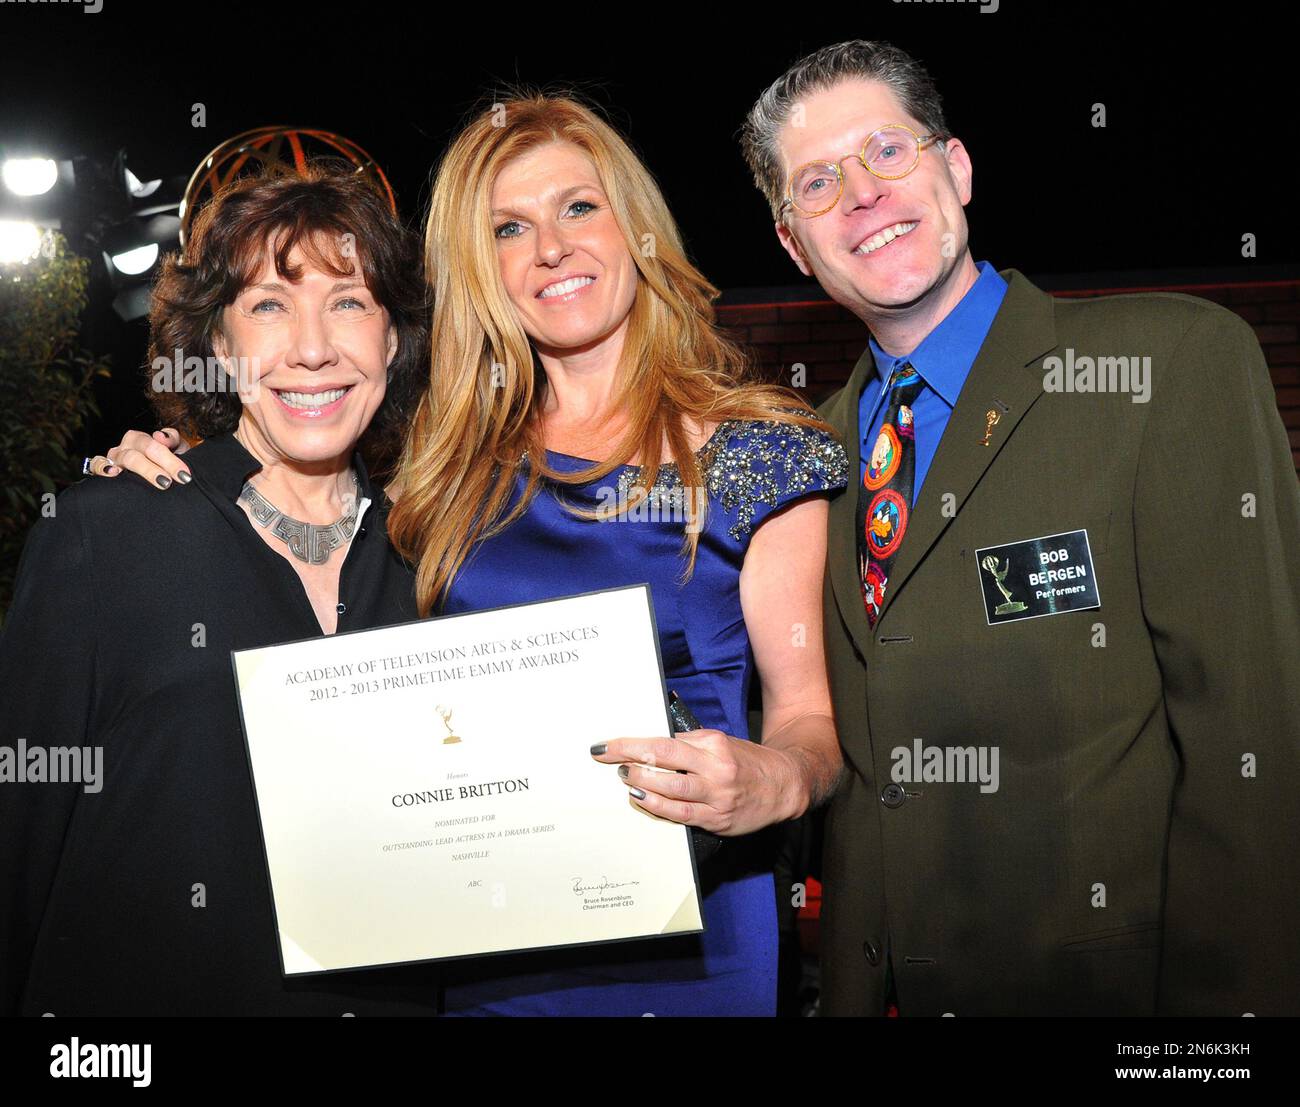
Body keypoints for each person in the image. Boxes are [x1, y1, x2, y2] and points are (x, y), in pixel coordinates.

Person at [93, 92, 850, 1015]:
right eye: (507, 227)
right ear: (476, 264)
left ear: (637, 228)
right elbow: (291, 484)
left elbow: (811, 722)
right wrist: (164, 460)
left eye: (579, 206)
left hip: (698, 945)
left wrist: (772, 780)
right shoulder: (436, 468)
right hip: (478, 946)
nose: (551, 249)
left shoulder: (758, 452)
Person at [739, 39, 1300, 1015]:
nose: (862, 193)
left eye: (886, 151)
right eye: (818, 183)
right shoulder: (804, 458)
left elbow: (1255, 747)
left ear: (953, 166)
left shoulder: (1167, 367)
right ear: (793, 245)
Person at [0, 164, 441, 1014]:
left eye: (348, 301)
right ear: (217, 344)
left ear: (392, 339)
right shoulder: (107, 535)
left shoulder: (439, 558)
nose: (313, 347)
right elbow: (18, 847)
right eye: (269, 305)